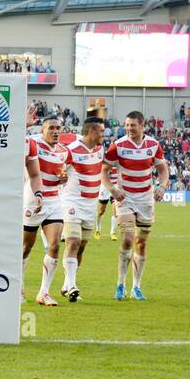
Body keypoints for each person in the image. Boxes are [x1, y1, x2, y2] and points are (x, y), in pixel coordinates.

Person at [103, 110, 169, 301]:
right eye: (127, 125)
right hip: (126, 198)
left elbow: (162, 170)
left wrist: (162, 186)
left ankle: (136, 287)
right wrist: (112, 189)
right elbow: (104, 170)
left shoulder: (153, 145)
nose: (129, 128)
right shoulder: (118, 145)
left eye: (133, 125)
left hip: (146, 199)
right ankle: (120, 284)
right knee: (127, 239)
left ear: (142, 126)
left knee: (142, 243)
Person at [59, 117, 106, 303]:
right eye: (101, 131)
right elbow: (60, 170)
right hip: (72, 202)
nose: (104, 134)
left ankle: (67, 283)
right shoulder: (71, 150)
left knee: (81, 248)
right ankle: (72, 287)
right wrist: (61, 177)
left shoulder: (100, 149)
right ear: (92, 131)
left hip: (90, 204)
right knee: (73, 241)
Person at [22, 115, 68, 306]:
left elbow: (63, 171)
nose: (56, 131)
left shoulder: (63, 151)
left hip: (54, 200)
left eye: (58, 128)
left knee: (55, 245)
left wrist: (62, 178)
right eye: (51, 128)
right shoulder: (34, 143)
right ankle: (19, 287)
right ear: (42, 130)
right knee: (25, 248)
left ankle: (44, 292)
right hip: (32, 199)